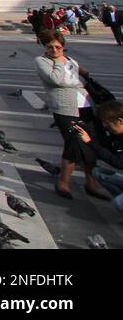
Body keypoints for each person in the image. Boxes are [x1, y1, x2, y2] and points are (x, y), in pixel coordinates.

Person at [36, 32, 109, 199]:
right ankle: (64, 182)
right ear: (45, 48)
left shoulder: (71, 61)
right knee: (74, 143)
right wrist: (59, 62)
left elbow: (78, 81)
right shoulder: (42, 61)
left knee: (91, 143)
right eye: (50, 47)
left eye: (58, 47)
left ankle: (92, 183)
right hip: (65, 109)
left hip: (86, 106)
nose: (54, 50)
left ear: (63, 47)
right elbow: (56, 80)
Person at [71, 101, 123, 211]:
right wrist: (88, 132)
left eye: (107, 124)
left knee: (118, 203)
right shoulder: (117, 135)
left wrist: (90, 142)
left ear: (120, 121)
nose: (105, 126)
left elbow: (118, 162)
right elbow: (106, 148)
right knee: (98, 173)